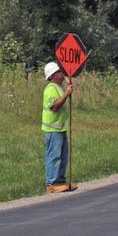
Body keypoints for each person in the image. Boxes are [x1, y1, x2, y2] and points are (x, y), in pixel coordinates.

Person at [41, 62, 76, 193]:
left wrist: (66, 92)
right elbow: (55, 107)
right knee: (54, 156)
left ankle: (60, 181)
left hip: (60, 128)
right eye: (60, 72)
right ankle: (51, 183)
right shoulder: (50, 89)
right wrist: (66, 94)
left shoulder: (59, 87)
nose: (62, 73)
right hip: (53, 129)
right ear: (54, 75)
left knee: (63, 156)